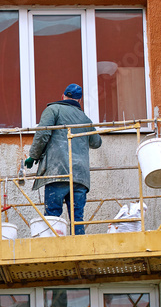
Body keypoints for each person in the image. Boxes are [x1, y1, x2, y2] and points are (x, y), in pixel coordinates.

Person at [24, 84, 102, 235]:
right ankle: (79, 248)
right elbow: (96, 142)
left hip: (58, 172)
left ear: (63, 96)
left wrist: (33, 156)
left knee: (53, 215)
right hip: (80, 176)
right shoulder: (85, 118)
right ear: (79, 101)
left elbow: (42, 135)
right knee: (77, 217)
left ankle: (52, 249)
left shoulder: (53, 110)